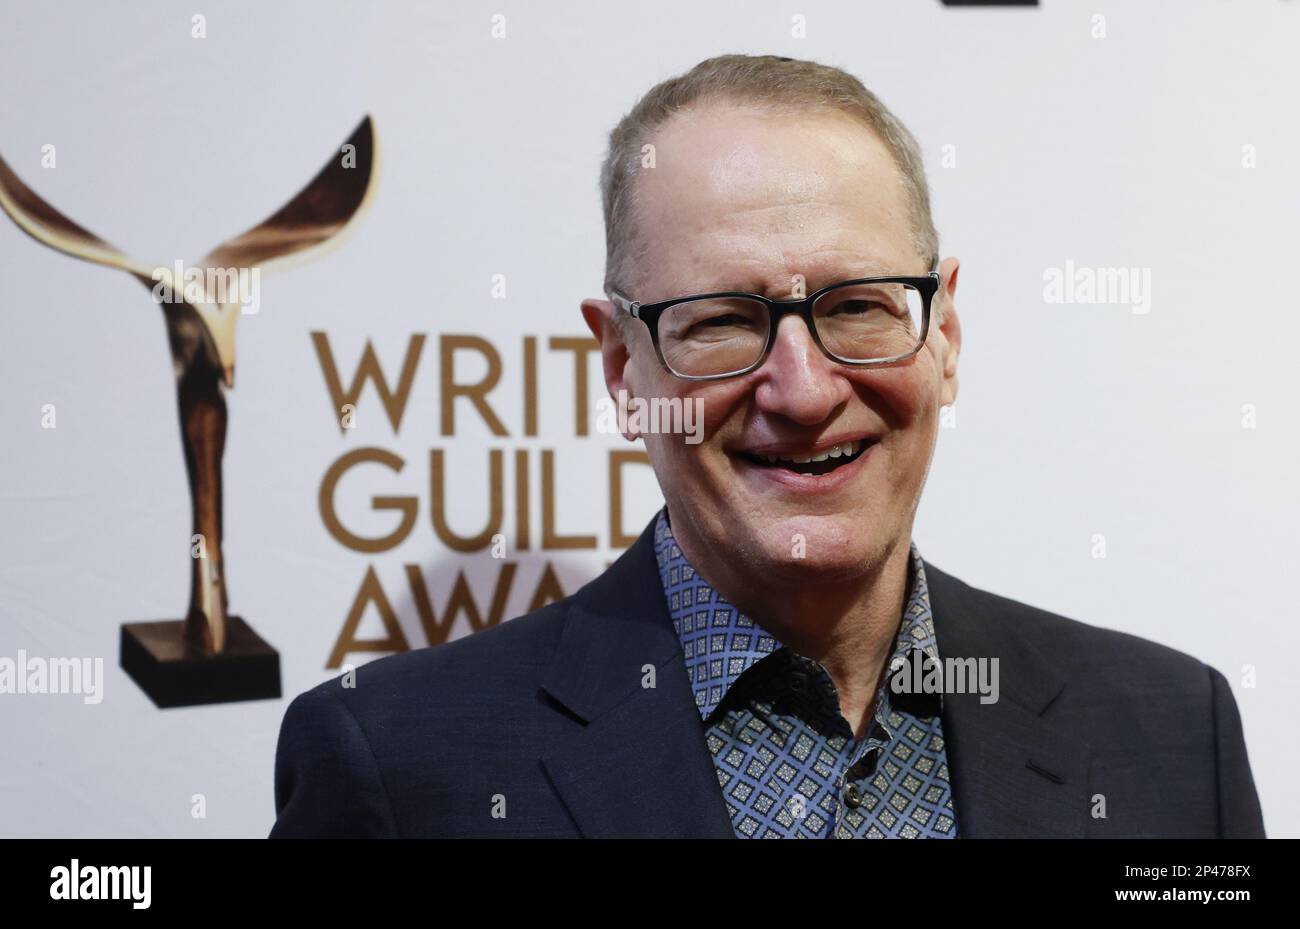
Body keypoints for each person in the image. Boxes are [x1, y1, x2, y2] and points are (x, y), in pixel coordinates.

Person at [270, 54, 1264, 838]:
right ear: (621, 367)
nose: (802, 390)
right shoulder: (400, 768)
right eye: (722, 321)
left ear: (945, 335)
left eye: (859, 306)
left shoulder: (1171, 733)